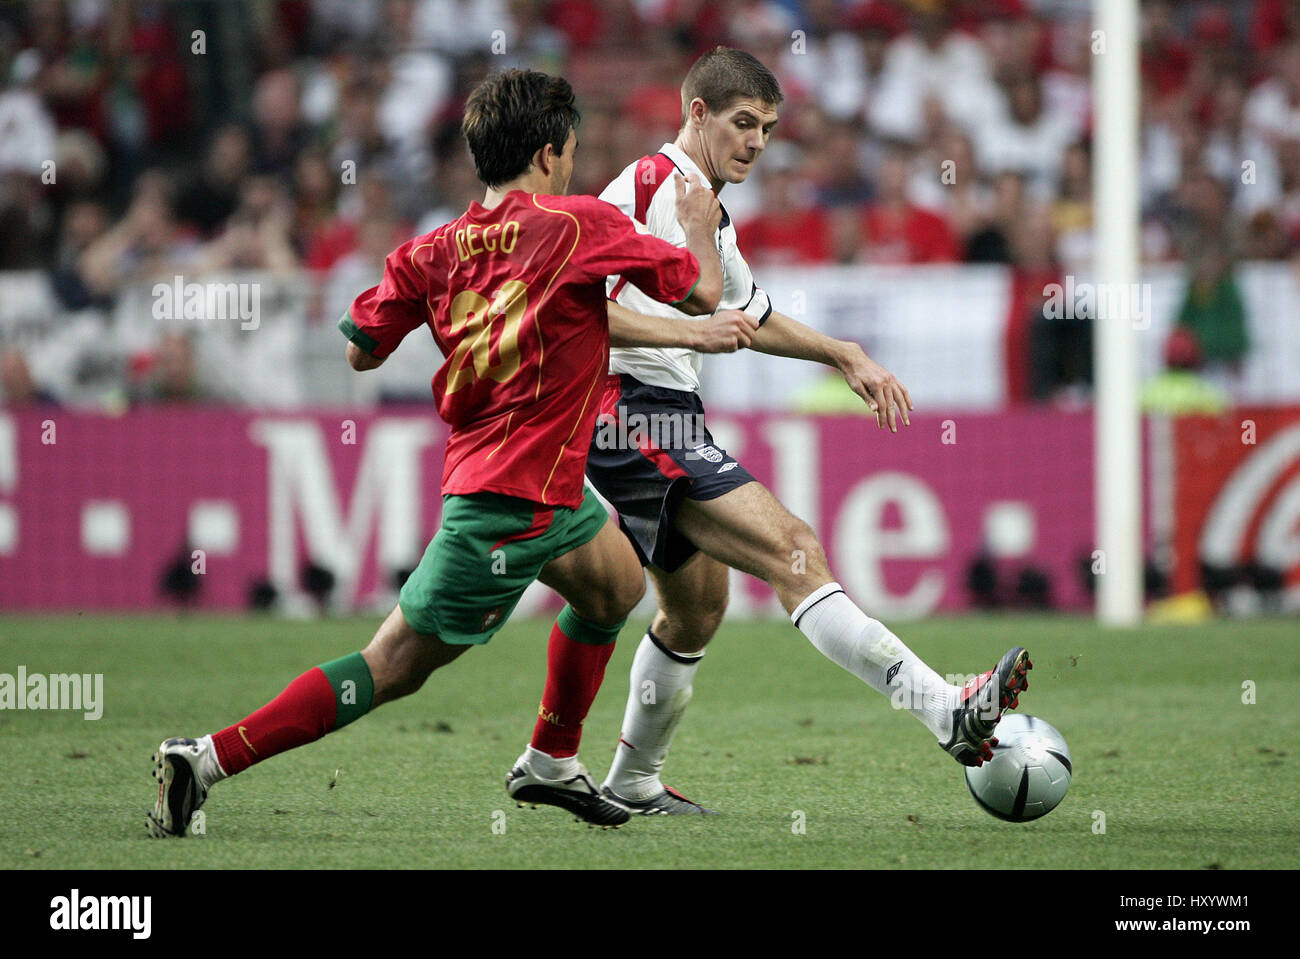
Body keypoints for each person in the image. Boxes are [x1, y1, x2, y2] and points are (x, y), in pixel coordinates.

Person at [147, 68, 747, 836]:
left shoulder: (429, 251)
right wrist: (700, 217)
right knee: (389, 666)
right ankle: (204, 759)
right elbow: (699, 290)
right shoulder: (575, 225)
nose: (571, 162)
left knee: (617, 585)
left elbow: (362, 348)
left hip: (536, 485)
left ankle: (552, 759)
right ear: (548, 151)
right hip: (507, 508)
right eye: (569, 149)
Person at [522, 47, 1031, 816]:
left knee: (695, 608)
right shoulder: (665, 186)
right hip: (627, 405)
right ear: (697, 114)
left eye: (767, 127)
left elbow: (746, 315)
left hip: (658, 407)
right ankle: (943, 709)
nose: (757, 141)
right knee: (794, 549)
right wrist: (699, 278)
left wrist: (842, 352)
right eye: (742, 122)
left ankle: (630, 780)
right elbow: (645, 301)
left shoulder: (704, 204)